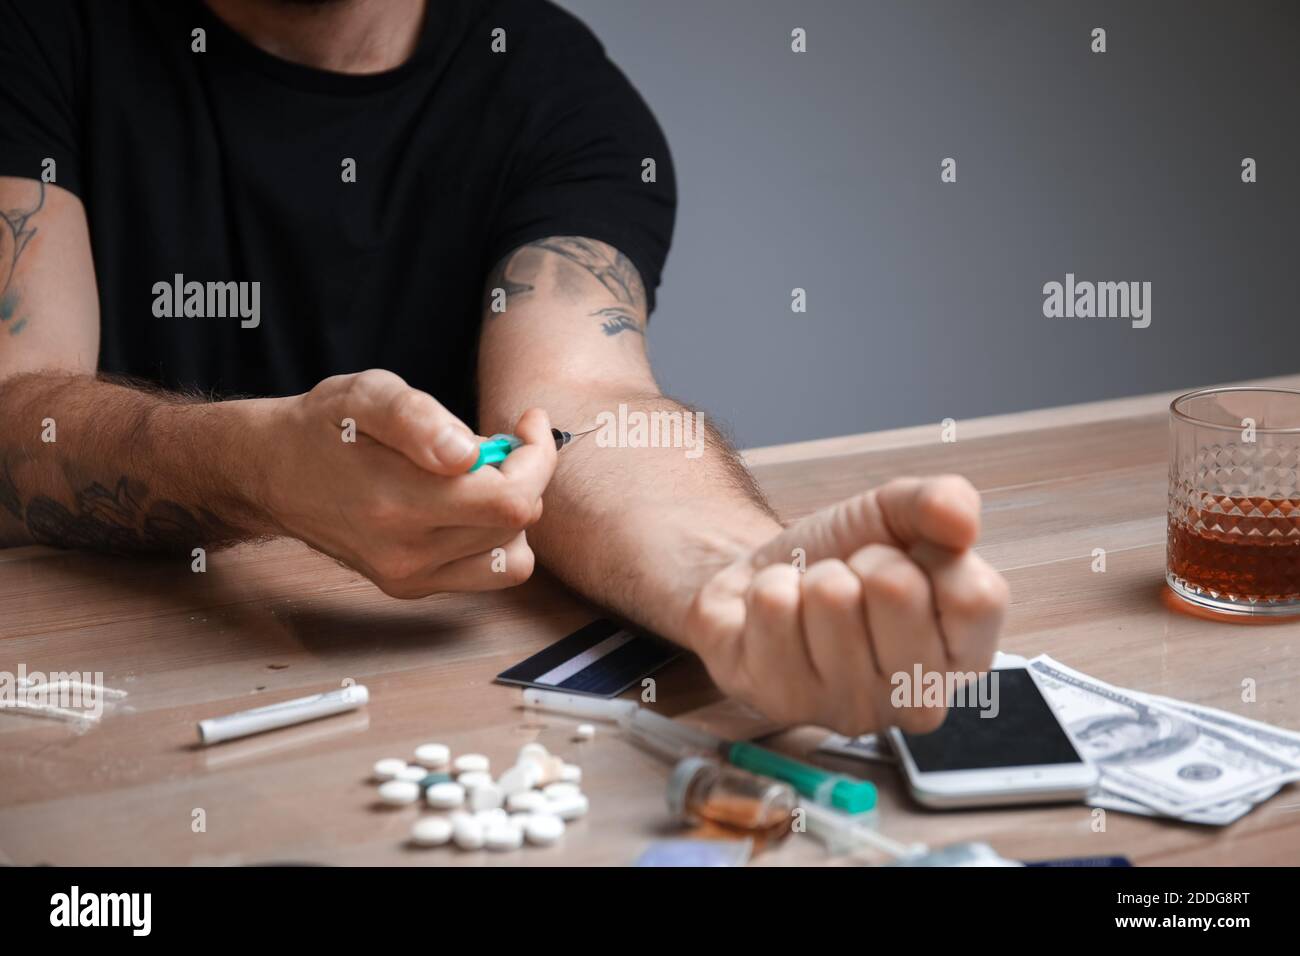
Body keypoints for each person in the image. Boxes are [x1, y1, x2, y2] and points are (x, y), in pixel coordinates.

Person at [0, 0, 1008, 734]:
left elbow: (582, 402)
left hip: (414, 711)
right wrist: (249, 462)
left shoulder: (555, 90)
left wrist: (730, 583)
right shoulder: (42, 33)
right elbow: (16, 411)